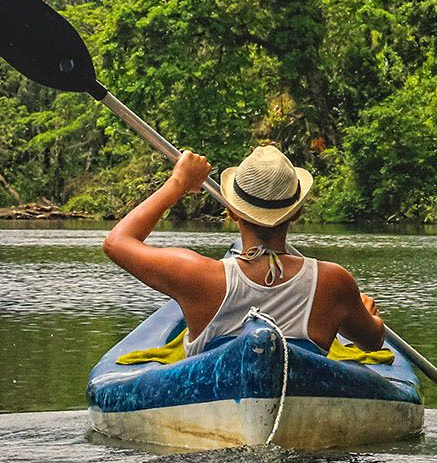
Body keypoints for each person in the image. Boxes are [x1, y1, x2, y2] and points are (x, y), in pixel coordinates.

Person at [102, 144, 385, 355]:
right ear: (296, 213)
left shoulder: (197, 275)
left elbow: (117, 242)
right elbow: (372, 342)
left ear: (232, 213)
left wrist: (178, 183)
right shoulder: (333, 282)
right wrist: (367, 313)